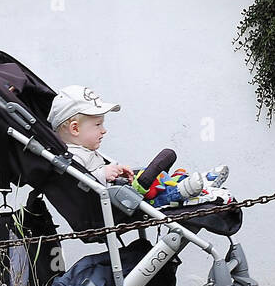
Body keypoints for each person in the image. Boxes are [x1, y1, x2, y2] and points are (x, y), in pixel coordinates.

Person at [48, 86, 228, 206]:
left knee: (150, 174)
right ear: (75, 129)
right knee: (149, 182)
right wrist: (103, 174)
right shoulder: (72, 156)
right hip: (114, 205)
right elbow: (77, 187)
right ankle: (184, 193)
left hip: (121, 192)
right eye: (97, 125)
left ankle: (190, 182)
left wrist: (117, 170)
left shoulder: (87, 151)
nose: (104, 131)